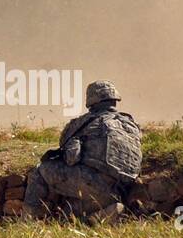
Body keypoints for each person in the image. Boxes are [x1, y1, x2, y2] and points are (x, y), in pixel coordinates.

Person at [22, 80, 141, 222]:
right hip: (119, 191)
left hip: (92, 184)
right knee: (68, 212)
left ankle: (27, 221)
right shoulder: (130, 124)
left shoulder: (82, 123)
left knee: (39, 171)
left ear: (91, 100)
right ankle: (103, 214)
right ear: (115, 98)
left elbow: (72, 158)